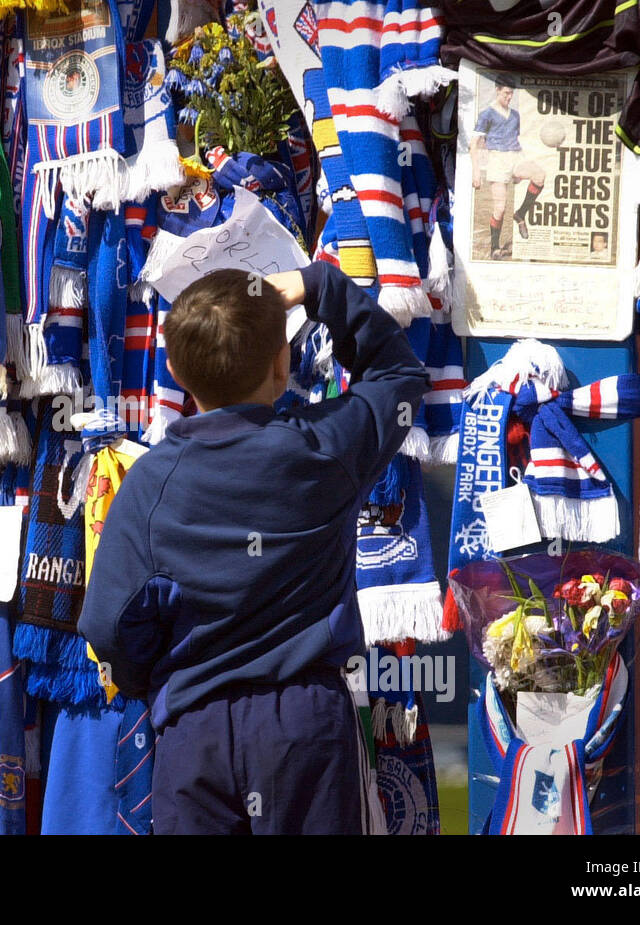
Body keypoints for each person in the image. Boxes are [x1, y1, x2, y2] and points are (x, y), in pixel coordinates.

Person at [77, 264, 430, 834]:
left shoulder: (149, 484)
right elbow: (398, 373)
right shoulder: (326, 450)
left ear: (174, 372)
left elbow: (108, 626)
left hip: (195, 731)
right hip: (305, 727)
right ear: (281, 364)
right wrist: (318, 286)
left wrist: (164, 679)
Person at [471, 75, 547, 259]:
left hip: (515, 157)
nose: (509, 97)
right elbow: (474, 144)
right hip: (497, 160)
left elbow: (515, 139)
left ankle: (520, 214)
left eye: (511, 93)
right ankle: (494, 248)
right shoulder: (486, 114)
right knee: (500, 208)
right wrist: (476, 171)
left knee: (540, 175)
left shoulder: (515, 115)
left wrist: (522, 160)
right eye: (506, 93)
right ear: (497, 90)